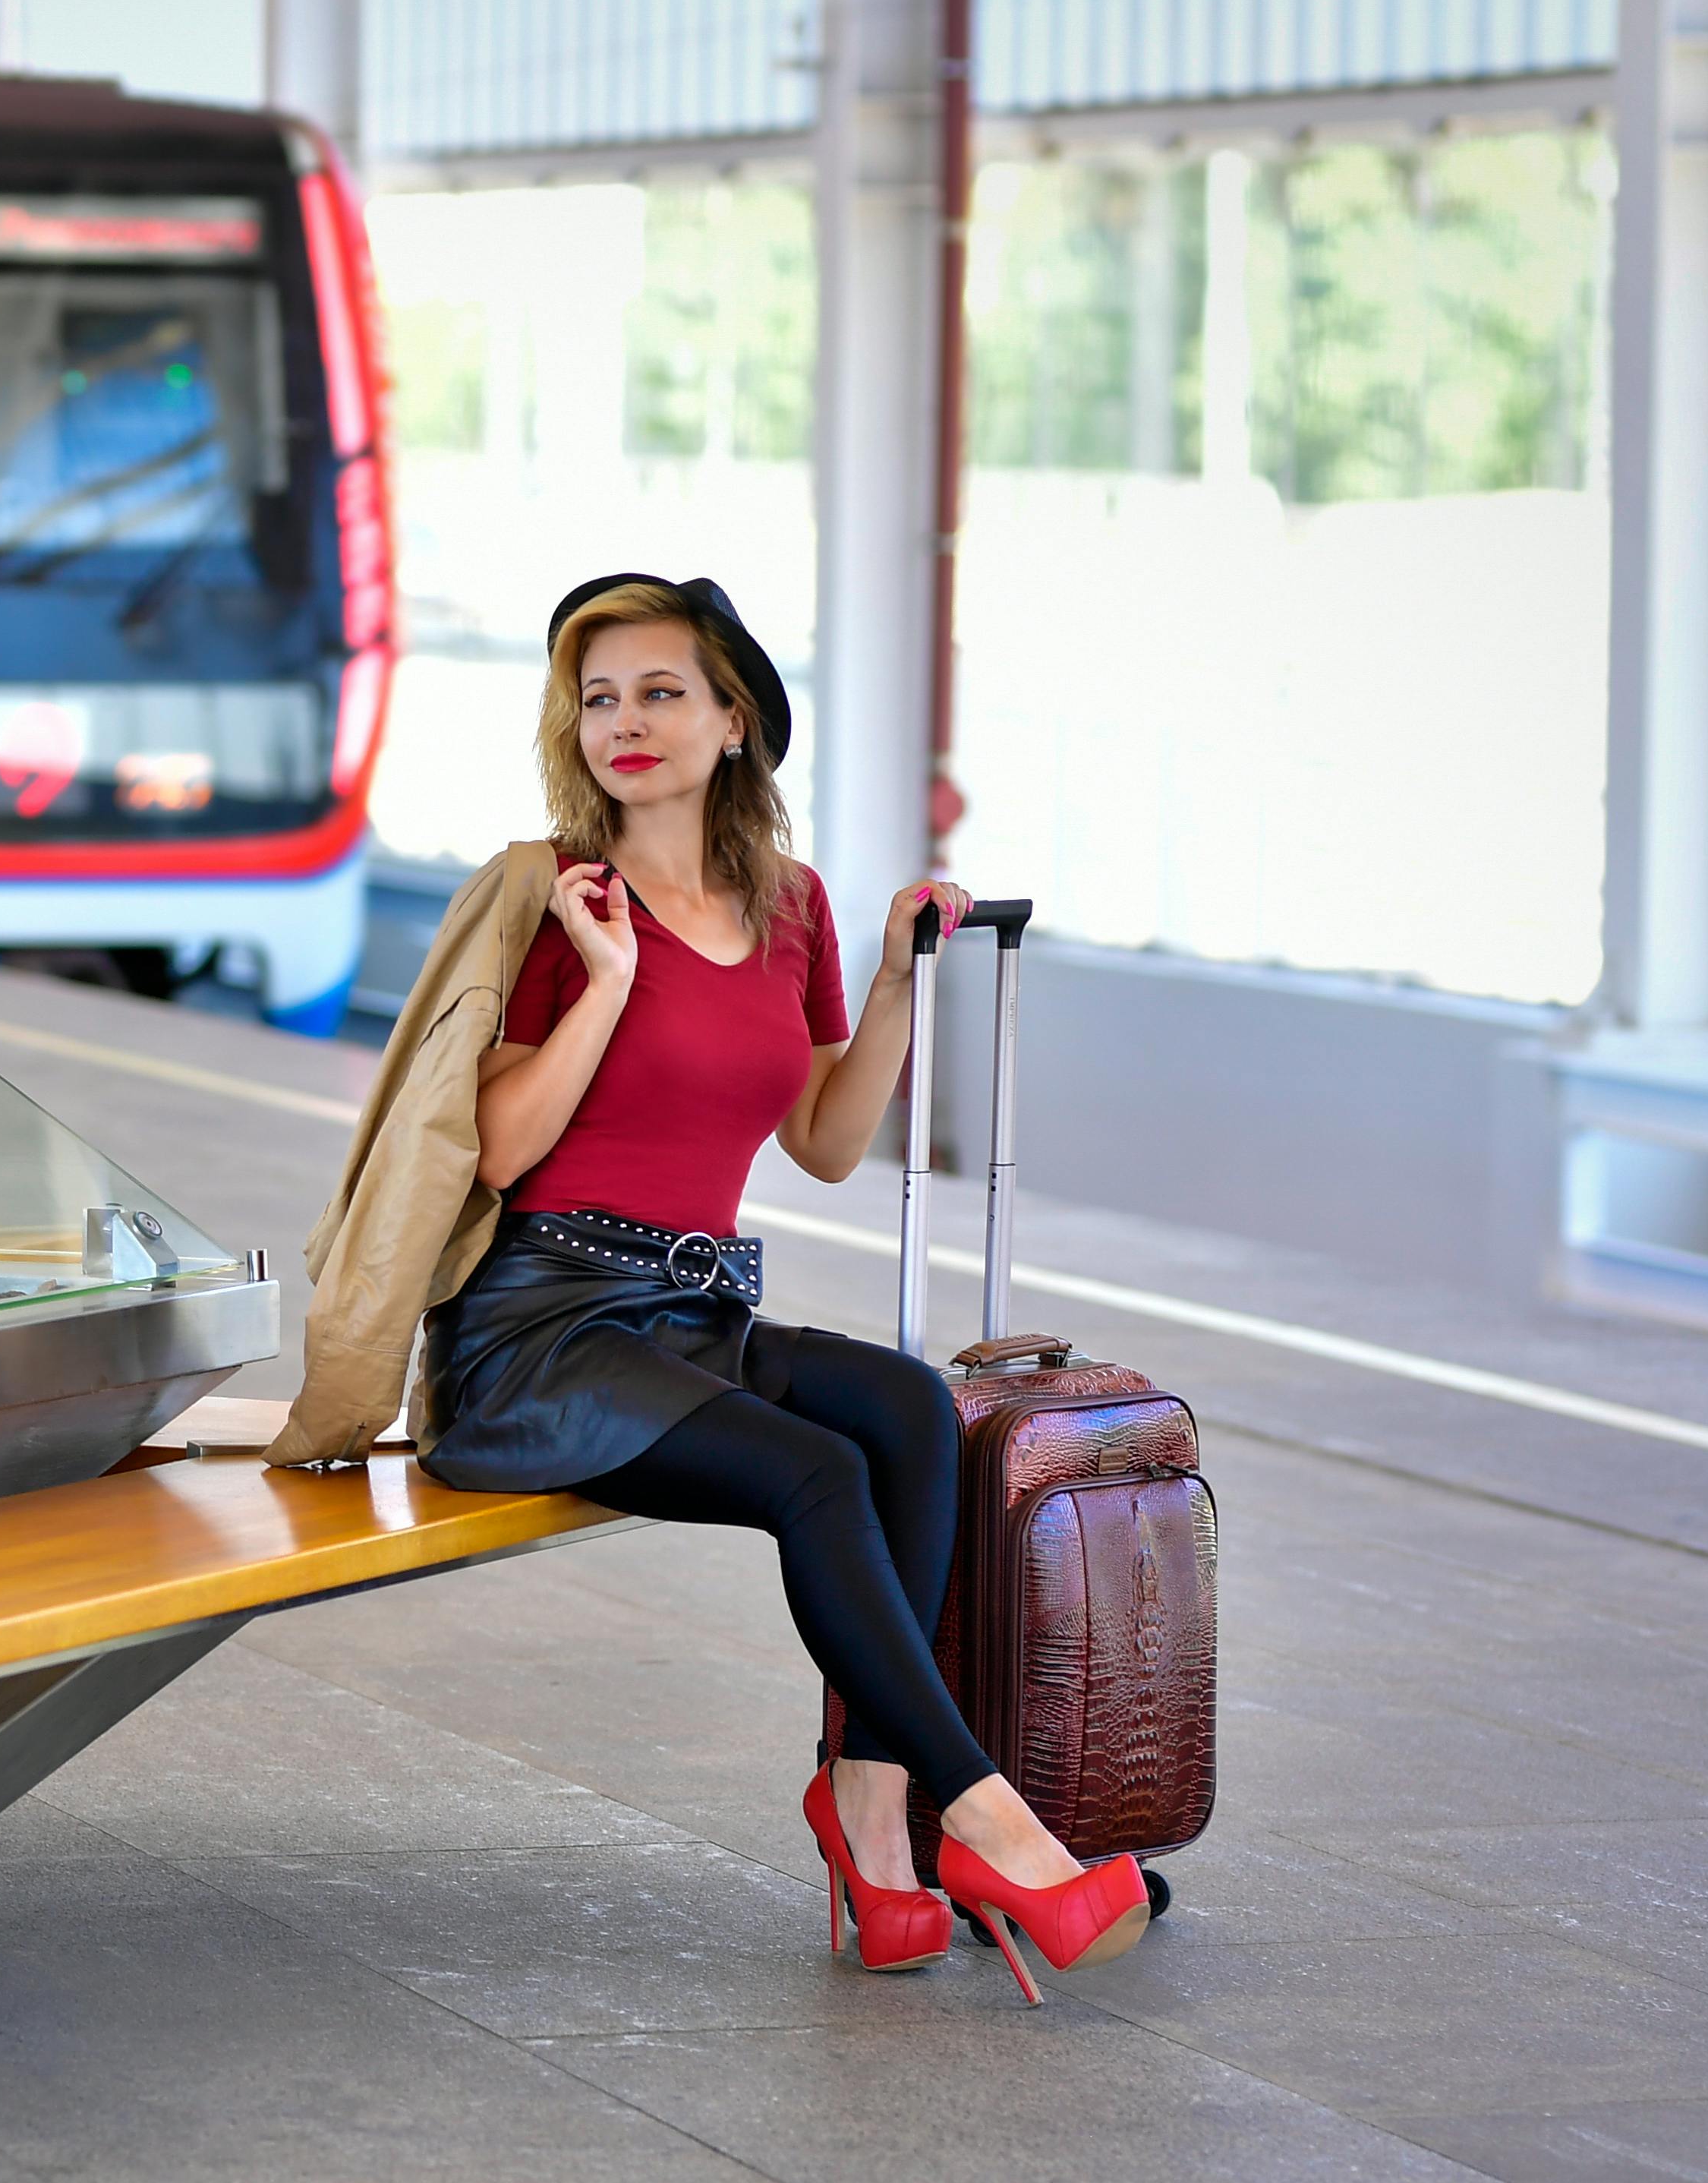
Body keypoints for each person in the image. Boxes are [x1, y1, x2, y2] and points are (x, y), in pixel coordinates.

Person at [267, 572, 1149, 2001]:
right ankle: (993, 1829)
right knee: (814, 1472)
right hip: (542, 1332)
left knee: (913, 1412)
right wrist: (607, 977)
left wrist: (892, 978)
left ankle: (870, 1818)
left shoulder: (785, 904)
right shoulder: (560, 898)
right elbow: (496, 1146)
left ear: (734, 718)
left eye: (660, 691)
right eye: (598, 696)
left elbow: (825, 1140)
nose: (624, 721)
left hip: (695, 1319)